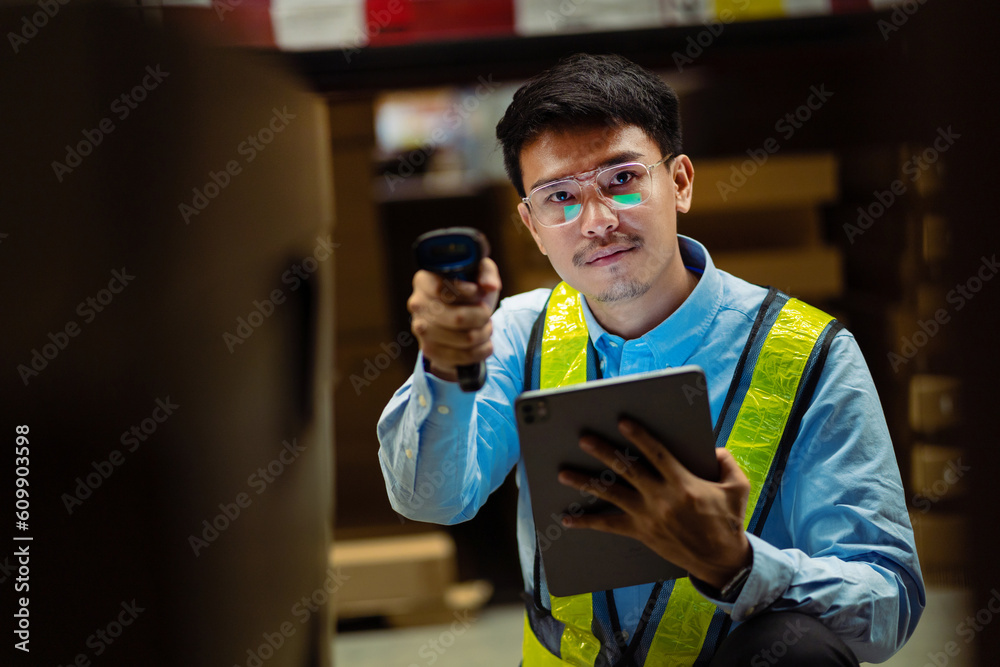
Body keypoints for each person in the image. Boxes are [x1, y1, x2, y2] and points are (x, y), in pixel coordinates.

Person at [377, 53, 924, 666]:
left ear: (681, 182)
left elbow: (888, 608)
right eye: (560, 196)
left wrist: (738, 565)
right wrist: (446, 371)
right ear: (532, 226)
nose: (597, 222)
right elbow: (432, 499)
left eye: (622, 180)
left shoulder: (810, 355)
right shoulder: (516, 334)